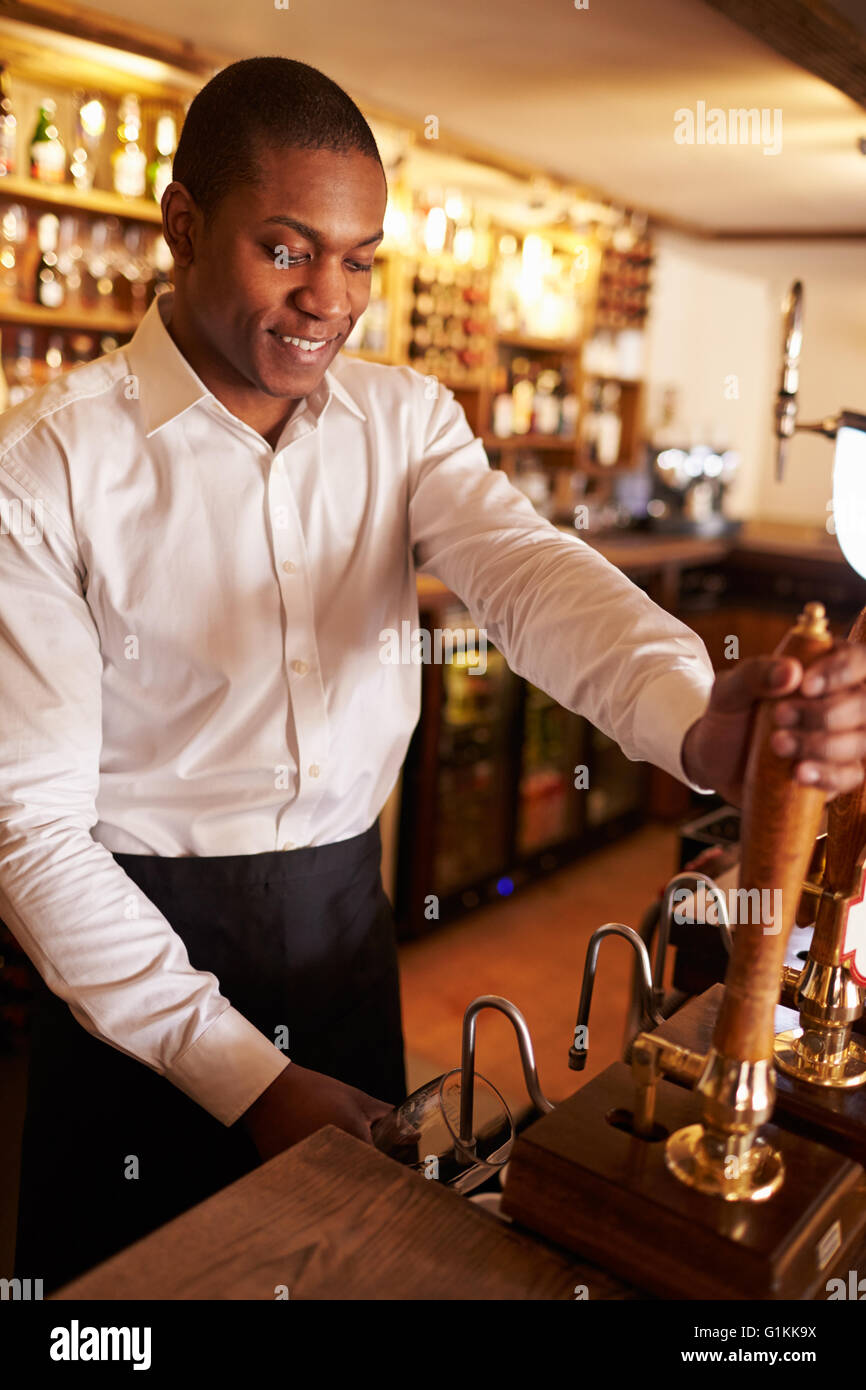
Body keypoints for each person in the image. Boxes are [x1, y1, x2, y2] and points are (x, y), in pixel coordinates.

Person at [3, 56, 866, 1294]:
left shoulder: (402, 419)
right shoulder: (42, 469)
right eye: (288, 248)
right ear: (182, 226)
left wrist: (693, 722)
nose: (328, 299)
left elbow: (524, 571)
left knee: (345, 1281)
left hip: (344, 937)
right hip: (129, 962)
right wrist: (248, 1077)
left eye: (360, 259)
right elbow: (30, 835)